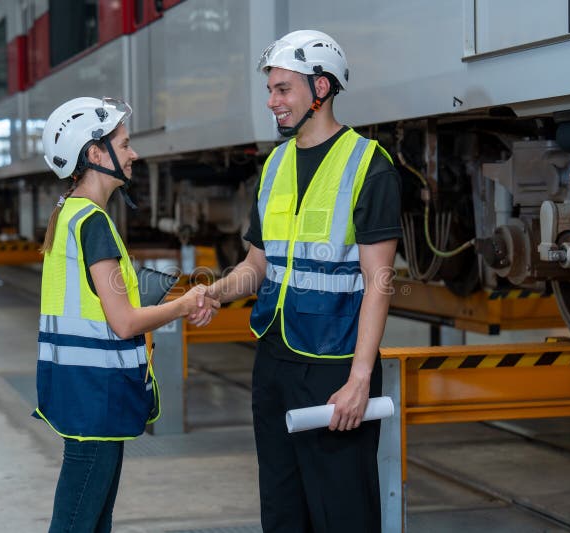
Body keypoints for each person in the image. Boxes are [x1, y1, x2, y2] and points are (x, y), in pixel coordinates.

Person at [193, 30, 402, 531]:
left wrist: (359, 381)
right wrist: (214, 293)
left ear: (322, 89)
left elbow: (380, 282)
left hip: (333, 367)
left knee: (342, 510)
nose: (272, 102)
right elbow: (257, 266)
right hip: (275, 360)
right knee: (283, 509)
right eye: (271, 90)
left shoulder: (368, 165)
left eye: (283, 89)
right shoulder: (274, 164)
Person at [34, 96, 219, 532]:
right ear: (95, 153)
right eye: (124, 143)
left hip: (79, 392)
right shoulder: (93, 223)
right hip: (96, 398)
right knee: (80, 522)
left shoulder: (71, 215)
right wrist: (185, 303)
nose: (133, 153)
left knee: (91, 522)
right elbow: (123, 323)